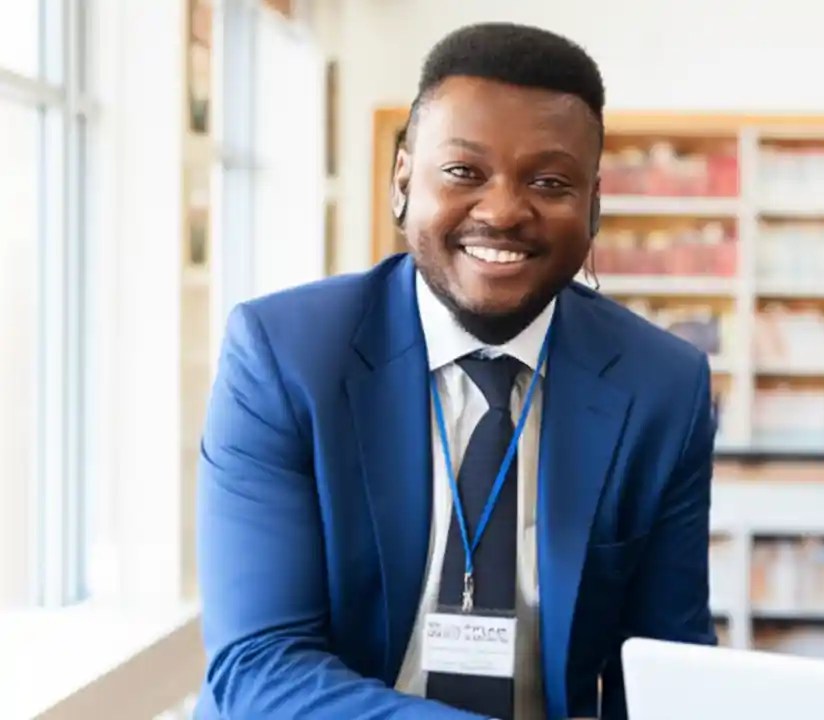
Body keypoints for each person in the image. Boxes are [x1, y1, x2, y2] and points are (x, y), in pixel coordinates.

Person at [195, 22, 718, 720]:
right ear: (403, 181)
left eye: (550, 181)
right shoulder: (283, 356)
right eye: (464, 172)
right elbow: (258, 668)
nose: (503, 211)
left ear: (593, 208)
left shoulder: (663, 387)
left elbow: (664, 668)